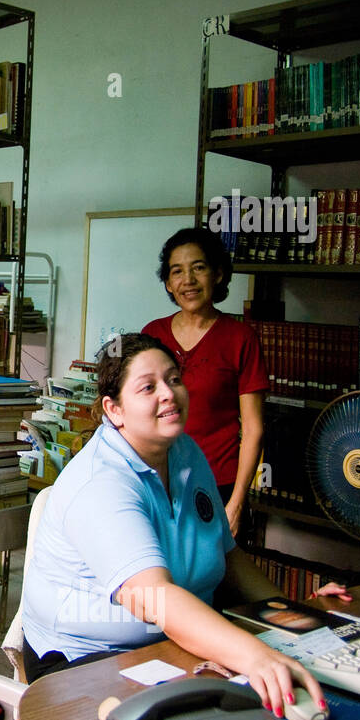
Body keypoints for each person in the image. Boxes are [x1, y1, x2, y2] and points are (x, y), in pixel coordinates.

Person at [20, 333, 344, 718]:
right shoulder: (100, 484)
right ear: (115, 410)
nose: (168, 394)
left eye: (174, 379)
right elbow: (155, 599)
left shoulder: (185, 451)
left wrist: (288, 615)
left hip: (173, 643)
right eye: (148, 387)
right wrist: (255, 656)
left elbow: (228, 556)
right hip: (88, 660)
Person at [142, 227, 266, 538]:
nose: (188, 281)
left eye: (198, 268)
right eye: (177, 271)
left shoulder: (240, 338)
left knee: (213, 579)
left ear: (218, 274)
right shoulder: (152, 335)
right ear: (169, 283)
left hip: (216, 485)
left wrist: (236, 503)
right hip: (158, 479)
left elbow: (253, 429)